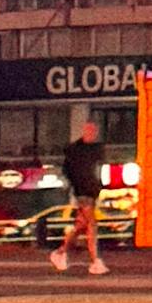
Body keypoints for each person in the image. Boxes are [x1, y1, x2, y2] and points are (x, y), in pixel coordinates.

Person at [58, 119, 111, 279]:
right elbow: (69, 171)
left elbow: (99, 169)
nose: (92, 133)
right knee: (92, 225)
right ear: (84, 130)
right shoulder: (75, 150)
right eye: (89, 130)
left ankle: (61, 252)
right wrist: (77, 187)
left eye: (94, 130)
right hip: (82, 192)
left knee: (80, 225)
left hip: (92, 192)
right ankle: (96, 261)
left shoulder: (97, 149)